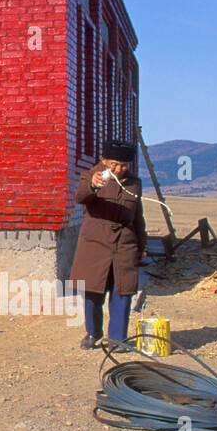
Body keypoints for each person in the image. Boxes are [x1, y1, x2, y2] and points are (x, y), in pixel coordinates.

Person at [71, 139, 147, 349]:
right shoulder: (92, 176)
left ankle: (117, 339)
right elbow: (80, 197)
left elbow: (138, 216)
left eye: (123, 165)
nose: (119, 169)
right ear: (103, 160)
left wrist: (142, 244)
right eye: (113, 164)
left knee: (123, 291)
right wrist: (92, 186)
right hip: (96, 242)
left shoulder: (134, 183)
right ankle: (93, 333)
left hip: (125, 243)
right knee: (93, 292)